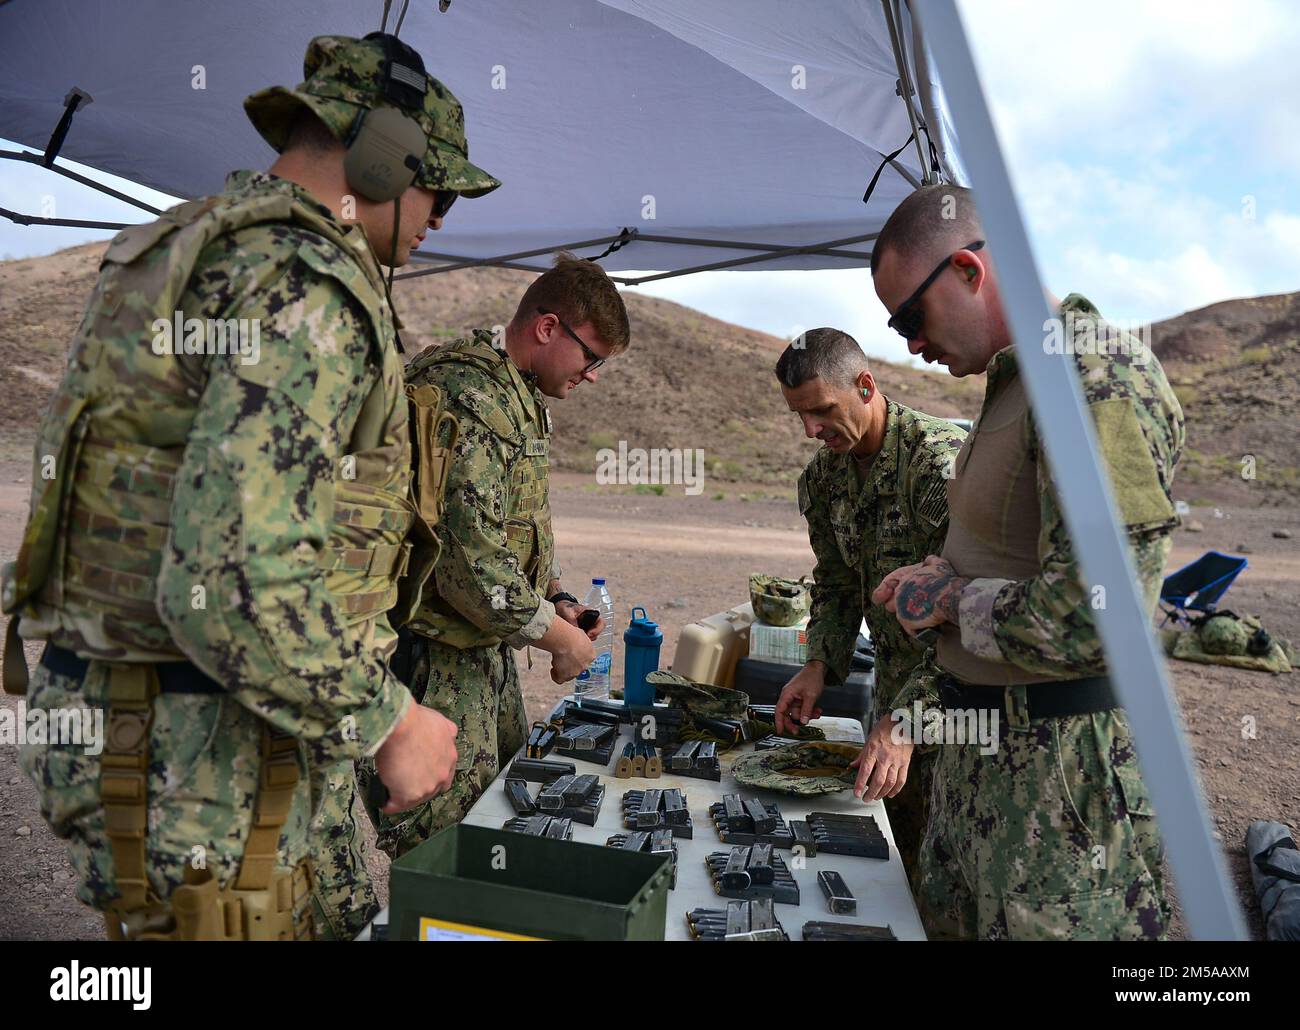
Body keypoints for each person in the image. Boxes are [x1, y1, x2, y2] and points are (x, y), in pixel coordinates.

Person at [5, 32, 499, 940]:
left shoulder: (182, 248)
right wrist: (392, 724)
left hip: (124, 730)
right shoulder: (306, 285)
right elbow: (236, 582)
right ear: (386, 157)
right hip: (200, 764)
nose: (441, 217)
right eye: (438, 187)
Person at [869, 185, 1183, 940]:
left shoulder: (1092, 380)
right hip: (986, 778)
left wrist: (950, 602)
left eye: (911, 316)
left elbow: (1098, 618)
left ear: (971, 270)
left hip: (1060, 806)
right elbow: (1003, 556)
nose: (910, 343)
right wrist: (941, 575)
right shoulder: (1019, 382)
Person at [360, 254, 631, 857]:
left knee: (496, 833)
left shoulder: (515, 393)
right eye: (591, 357)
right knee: (444, 855)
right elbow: (469, 563)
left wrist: (555, 599)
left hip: (479, 660)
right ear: (546, 327)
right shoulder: (469, 394)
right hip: (435, 665)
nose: (592, 376)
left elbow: (516, 523)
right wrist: (559, 640)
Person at [772, 327, 964, 885]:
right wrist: (818, 665)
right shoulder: (824, 477)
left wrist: (906, 723)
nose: (812, 430)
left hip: (958, 706)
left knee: (950, 872)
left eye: (823, 410)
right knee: (894, 860)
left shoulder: (937, 466)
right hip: (890, 702)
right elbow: (835, 582)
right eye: (800, 416)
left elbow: (968, 616)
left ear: (865, 385)